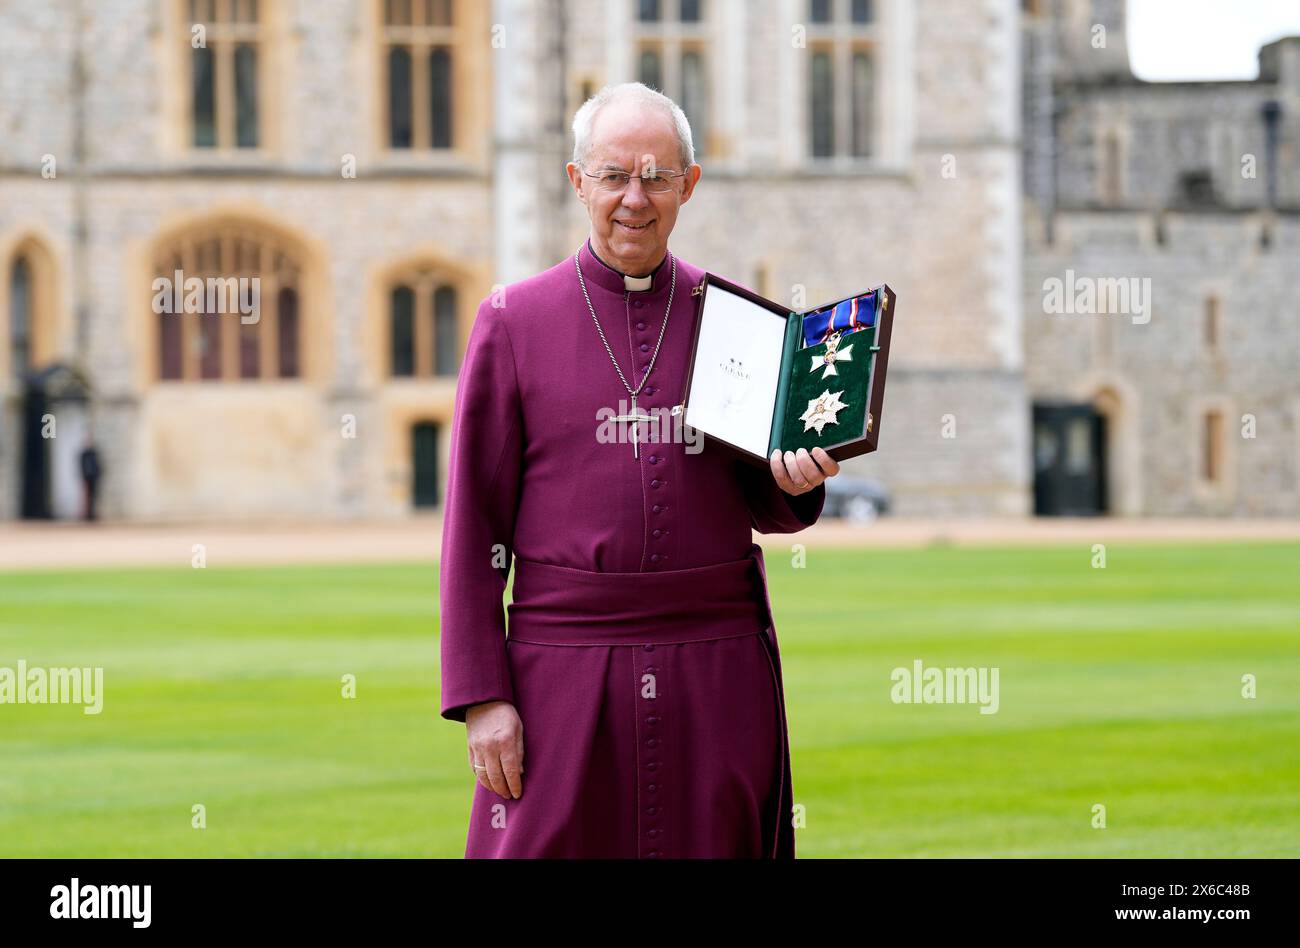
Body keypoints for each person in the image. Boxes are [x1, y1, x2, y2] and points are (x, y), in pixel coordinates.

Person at [439, 82, 840, 858]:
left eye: (657, 177)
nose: (635, 198)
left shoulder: (739, 321)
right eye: (614, 175)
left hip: (716, 661)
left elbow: (770, 499)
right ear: (576, 180)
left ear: (689, 185)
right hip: (563, 664)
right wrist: (482, 696)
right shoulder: (511, 322)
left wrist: (802, 478)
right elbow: (473, 527)